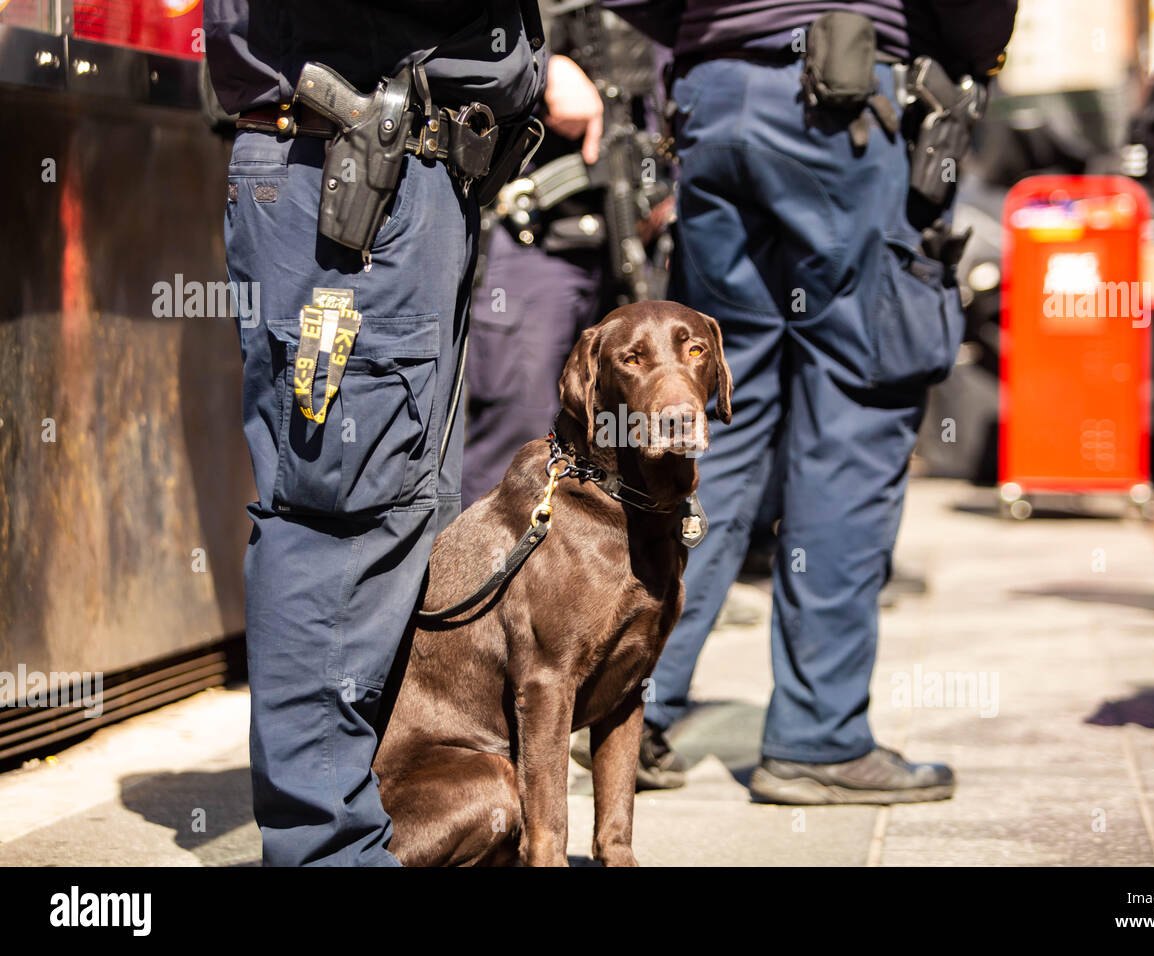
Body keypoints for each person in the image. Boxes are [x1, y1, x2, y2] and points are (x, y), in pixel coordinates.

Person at [606, 0, 1016, 801]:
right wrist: (963, 49)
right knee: (853, 419)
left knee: (715, 416)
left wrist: (718, 28)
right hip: (843, 101)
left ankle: (633, 702)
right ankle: (818, 737)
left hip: (714, 99)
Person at [204, 0, 564, 865]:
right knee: (340, 516)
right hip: (353, 162)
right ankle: (327, 850)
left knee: (398, 510)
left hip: (407, 169)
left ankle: (367, 821)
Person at [463, 3, 670, 504]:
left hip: (624, 246)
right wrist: (543, 65)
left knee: (618, 450)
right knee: (513, 452)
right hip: (532, 239)